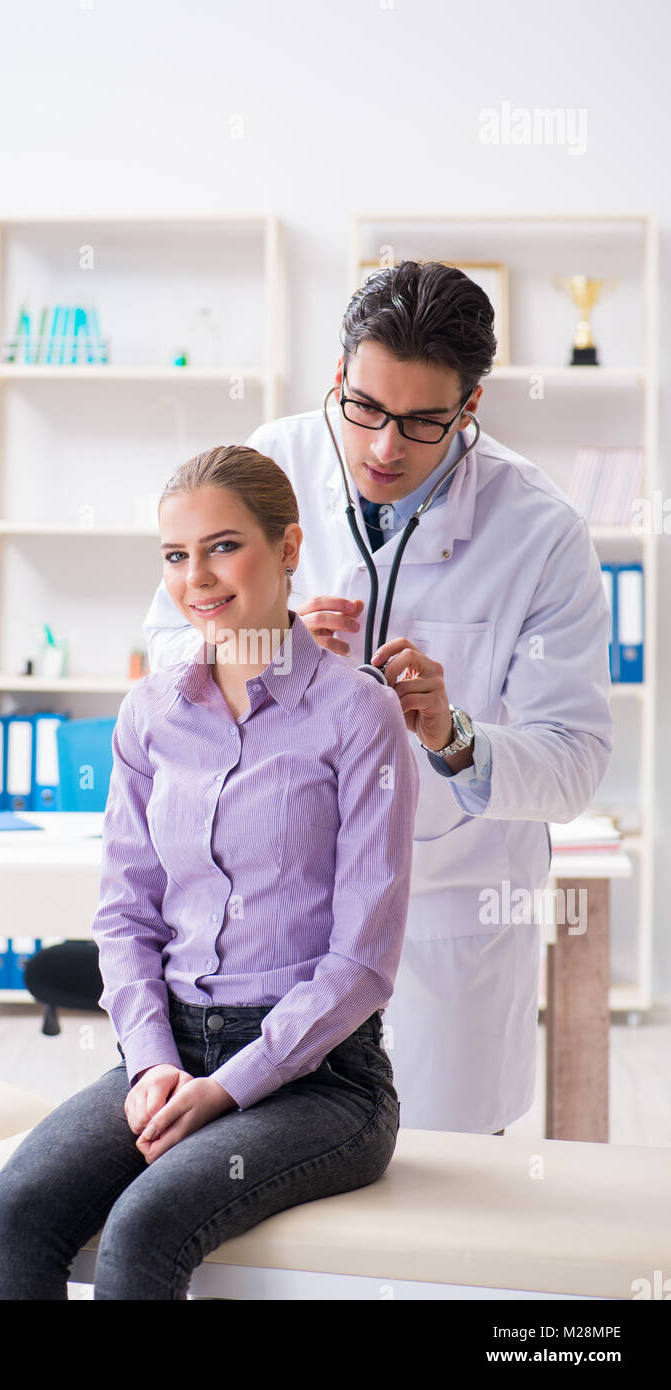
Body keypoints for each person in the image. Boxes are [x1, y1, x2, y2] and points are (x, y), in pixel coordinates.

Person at [143, 261, 614, 1136]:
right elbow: (163, 656)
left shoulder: (540, 532)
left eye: (422, 421)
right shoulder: (267, 464)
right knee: (262, 1208)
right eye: (363, 409)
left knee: (441, 1215)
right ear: (337, 378)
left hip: (443, 930)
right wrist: (259, 640)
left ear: (470, 409)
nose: (383, 448)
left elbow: (573, 765)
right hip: (266, 924)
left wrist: (452, 733)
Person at [0, 445, 419, 1300]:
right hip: (168, 1053)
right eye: (176, 556)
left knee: (143, 1228)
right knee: (19, 1208)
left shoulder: (356, 712)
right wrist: (149, 1065)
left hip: (319, 1080)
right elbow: (126, 916)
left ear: (288, 549)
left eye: (223, 547)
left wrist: (227, 1088)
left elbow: (363, 962)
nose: (197, 579)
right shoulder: (150, 711)